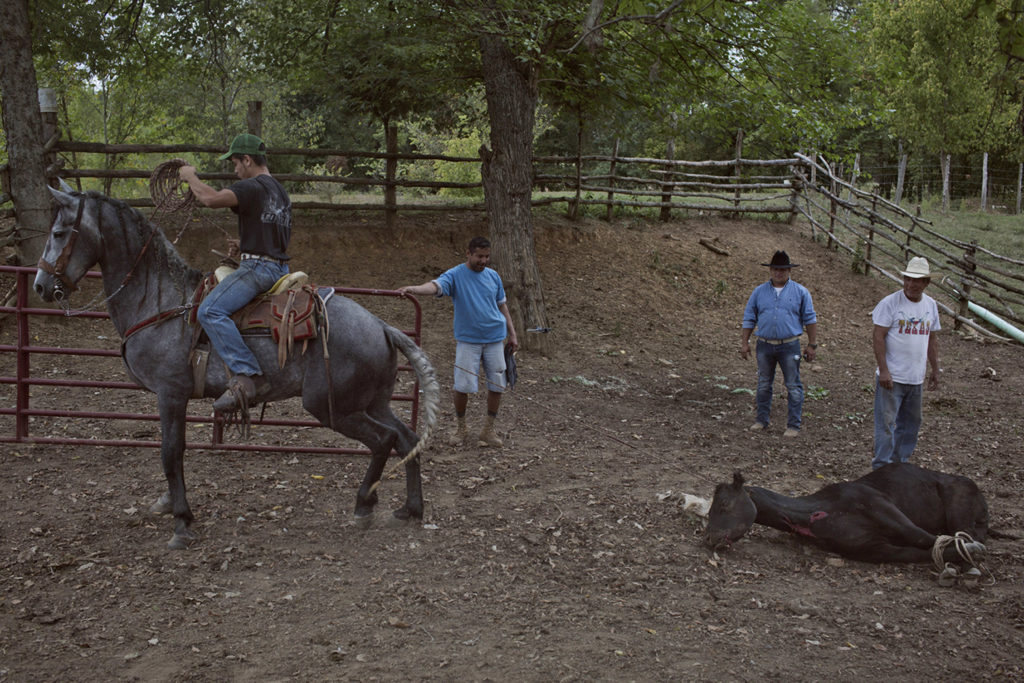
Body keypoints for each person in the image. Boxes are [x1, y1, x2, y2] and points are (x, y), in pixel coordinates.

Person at [178, 133, 292, 413]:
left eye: (236, 163)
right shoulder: (279, 191)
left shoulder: (252, 186)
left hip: (258, 269)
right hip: (278, 266)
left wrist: (190, 177)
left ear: (248, 160)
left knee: (209, 311)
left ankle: (248, 375)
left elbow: (210, 199)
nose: (235, 169)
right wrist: (245, 245)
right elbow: (273, 234)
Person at [399, 237, 519, 447]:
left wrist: (513, 333)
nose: (483, 261)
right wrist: (414, 289)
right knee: (462, 386)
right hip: (468, 340)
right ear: (468, 253)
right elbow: (435, 286)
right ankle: (461, 427)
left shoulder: (493, 276)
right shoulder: (455, 275)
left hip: (495, 338)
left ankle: (488, 430)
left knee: (497, 384)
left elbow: (502, 306)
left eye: (486, 256)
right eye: (479, 256)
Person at [871, 256, 941, 469]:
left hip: (915, 377)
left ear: (926, 283)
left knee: (911, 424)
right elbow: (878, 336)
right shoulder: (890, 303)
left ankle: (899, 465)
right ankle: (881, 468)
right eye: (908, 279)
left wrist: (935, 368)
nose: (911, 284)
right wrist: (884, 370)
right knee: (886, 424)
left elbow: (932, 339)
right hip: (893, 377)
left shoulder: (930, 305)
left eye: (917, 280)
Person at [739, 250, 818, 437]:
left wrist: (812, 344)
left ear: (789, 271)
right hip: (764, 344)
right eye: (775, 269)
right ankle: (761, 420)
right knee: (763, 383)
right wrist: (744, 342)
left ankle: (793, 425)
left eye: (782, 270)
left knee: (793, 385)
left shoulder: (800, 292)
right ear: (770, 270)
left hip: (789, 344)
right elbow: (749, 317)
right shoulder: (759, 292)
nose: (778, 273)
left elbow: (810, 319)